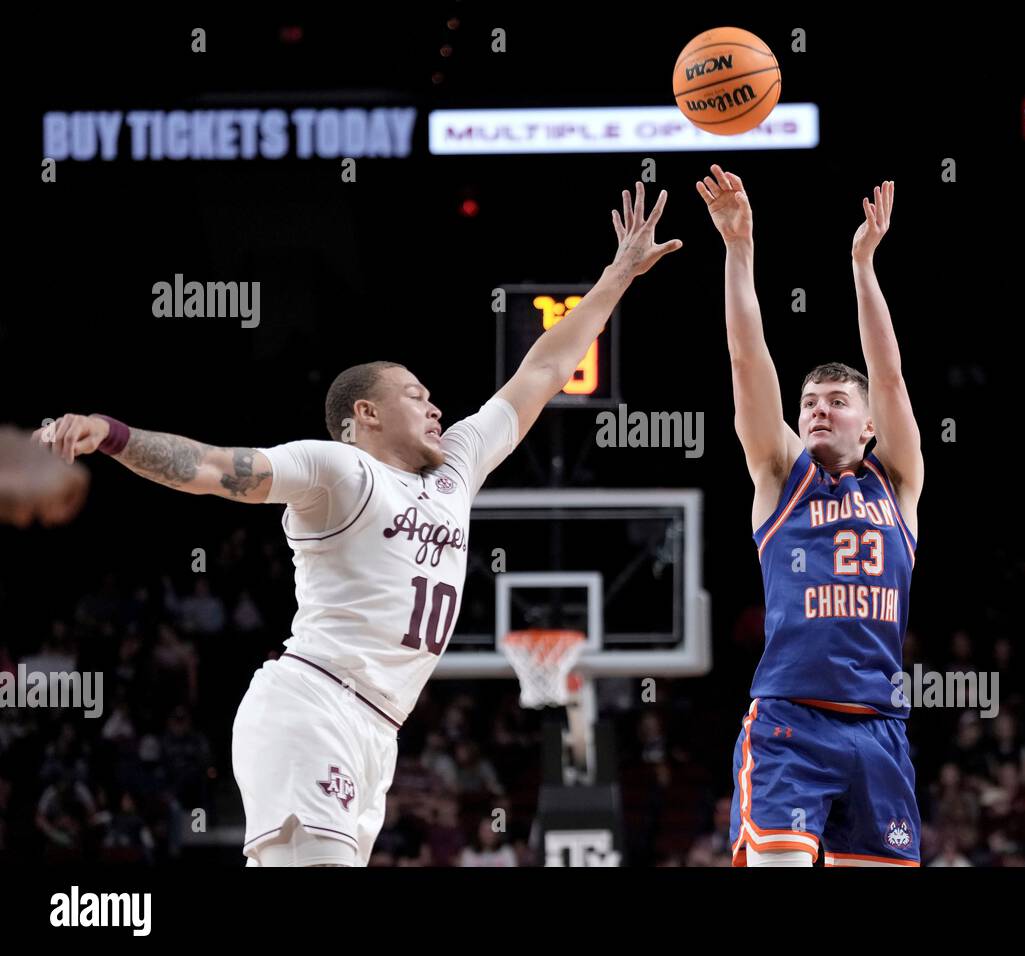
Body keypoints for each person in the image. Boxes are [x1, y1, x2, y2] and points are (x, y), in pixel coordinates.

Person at [32, 181, 682, 866]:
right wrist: (112, 433)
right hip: (313, 705)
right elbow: (213, 468)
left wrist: (616, 275)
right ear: (365, 415)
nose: (436, 408)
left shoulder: (456, 466)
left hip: (377, 731)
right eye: (415, 395)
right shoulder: (339, 470)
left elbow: (547, 366)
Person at [698, 167, 922, 867]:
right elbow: (745, 360)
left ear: (868, 428)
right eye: (809, 403)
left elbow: (888, 377)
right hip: (789, 723)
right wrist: (740, 248)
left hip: (879, 731)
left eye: (834, 401)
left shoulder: (899, 484)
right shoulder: (779, 476)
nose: (818, 409)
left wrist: (863, 264)